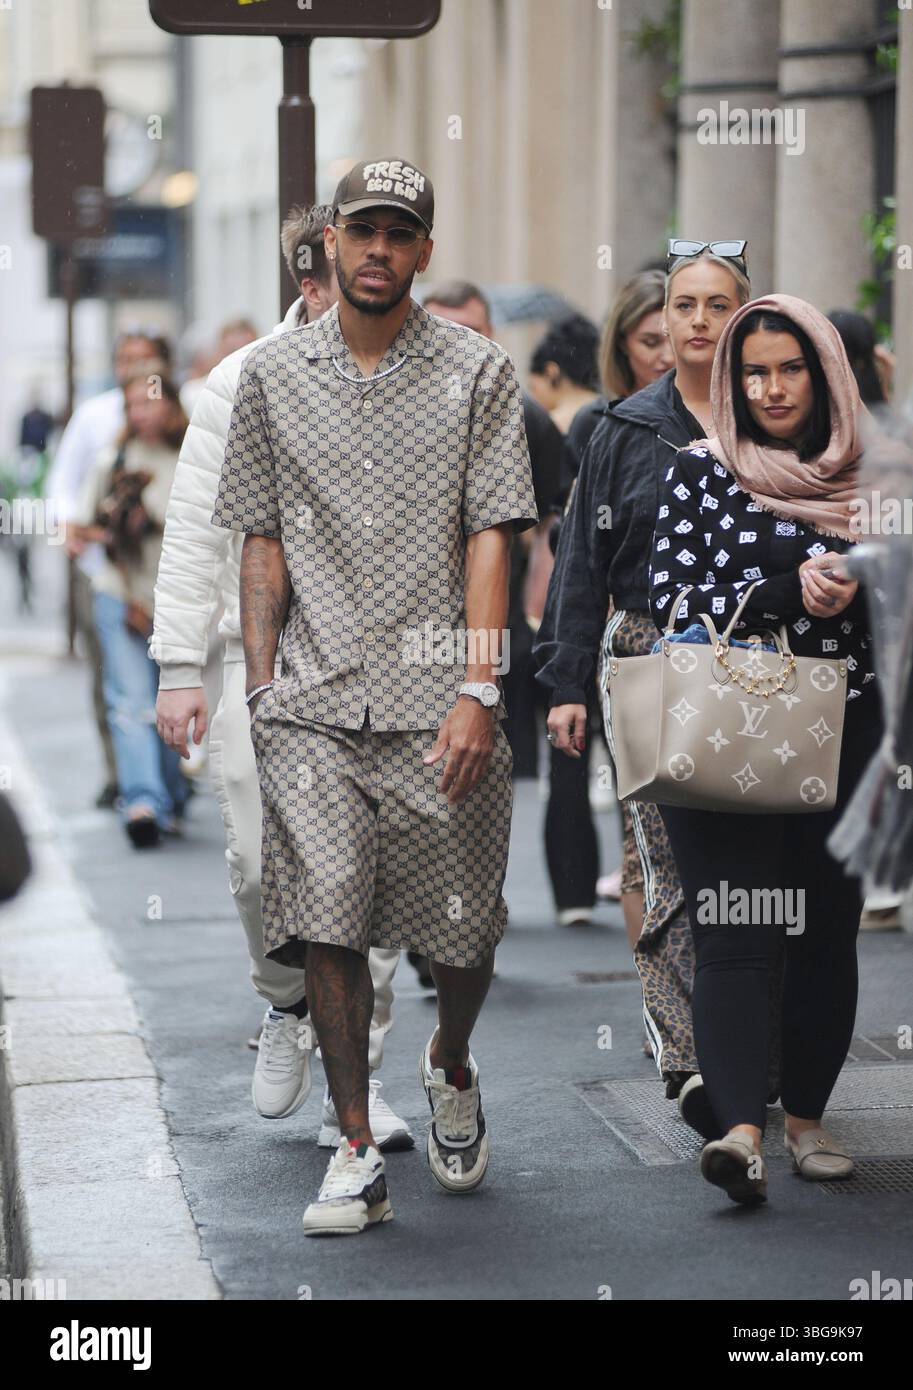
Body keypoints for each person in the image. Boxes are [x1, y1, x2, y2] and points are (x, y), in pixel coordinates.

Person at [212, 158, 537, 1236]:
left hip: (440, 698)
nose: (378, 250)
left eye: (400, 234)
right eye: (363, 231)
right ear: (333, 243)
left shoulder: (477, 373)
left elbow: (492, 535)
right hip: (312, 701)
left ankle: (450, 1058)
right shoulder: (271, 376)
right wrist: (263, 688)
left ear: (423, 252)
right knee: (328, 918)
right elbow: (261, 540)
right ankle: (354, 1147)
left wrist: (478, 684)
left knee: (461, 934)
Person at [153, 205, 412, 1147]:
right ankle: (287, 1002)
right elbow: (195, 529)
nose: (337, 286)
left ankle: (359, 1086)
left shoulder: (417, 372)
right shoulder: (243, 378)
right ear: (305, 281)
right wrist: (179, 667)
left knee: (373, 881)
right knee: (259, 862)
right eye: (319, 274)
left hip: (382, 663)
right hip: (257, 659)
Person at [649, 294, 881, 1205]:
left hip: (850, 731)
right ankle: (740, 1134)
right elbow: (672, 600)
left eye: (790, 368)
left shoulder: (877, 478)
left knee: (824, 933)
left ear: (825, 374)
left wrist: (861, 580)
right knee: (735, 932)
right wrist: (788, 590)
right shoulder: (702, 470)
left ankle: (808, 1124)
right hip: (727, 723)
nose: (771, 388)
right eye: (752, 372)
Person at [535, 241, 754, 1127]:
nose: (696, 324)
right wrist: (565, 683)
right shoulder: (619, 428)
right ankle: (689, 1059)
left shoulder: (772, 411)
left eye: (715, 306)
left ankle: (755, 1050)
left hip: (759, 656)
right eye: (682, 308)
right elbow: (579, 564)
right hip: (645, 651)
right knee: (663, 857)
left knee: (755, 862)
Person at [561, 270, 673, 921]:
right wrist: (568, 674)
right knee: (642, 830)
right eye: (649, 339)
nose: (665, 352)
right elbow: (577, 548)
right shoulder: (601, 425)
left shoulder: (728, 418)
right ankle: (656, 981)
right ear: (621, 345)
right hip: (628, 644)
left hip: (721, 642)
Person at [46, 330, 172, 807]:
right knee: (119, 683)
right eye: (125, 358)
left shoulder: (185, 431)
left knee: (164, 686)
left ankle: (167, 785)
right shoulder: (96, 419)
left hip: (169, 585)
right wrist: (77, 534)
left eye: (143, 358)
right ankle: (128, 782)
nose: (132, 367)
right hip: (110, 576)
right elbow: (66, 487)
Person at [70, 370, 188, 847]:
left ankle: (172, 794)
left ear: (170, 404)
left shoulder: (191, 456)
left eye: (150, 401)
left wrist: (153, 520)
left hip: (176, 598)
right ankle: (143, 802)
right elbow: (78, 529)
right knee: (131, 700)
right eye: (133, 404)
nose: (141, 412)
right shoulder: (113, 460)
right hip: (121, 593)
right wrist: (116, 527)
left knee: (172, 699)